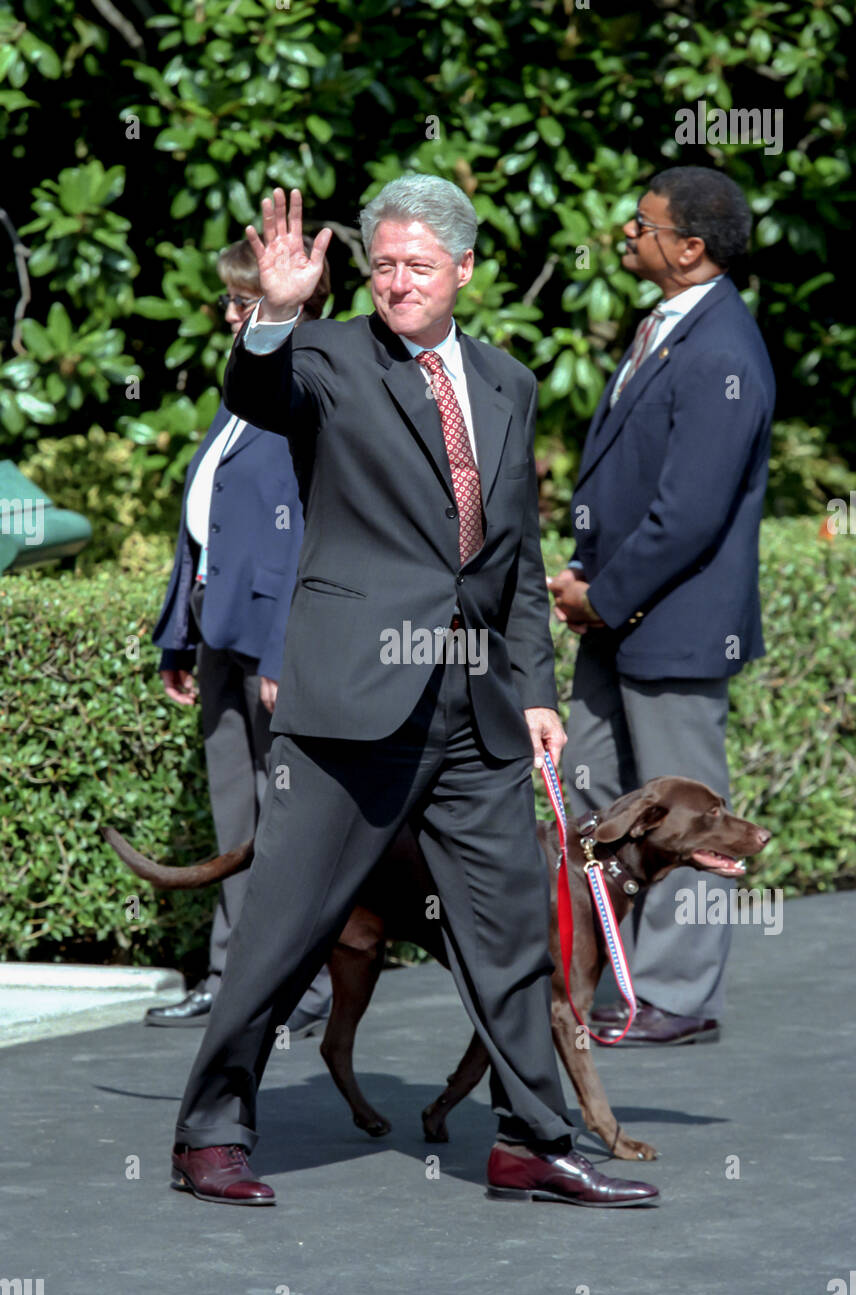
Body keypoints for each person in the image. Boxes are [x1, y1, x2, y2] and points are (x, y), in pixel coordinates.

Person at [168, 175, 658, 1209]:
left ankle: (531, 1139)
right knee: (283, 931)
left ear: (464, 271)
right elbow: (259, 395)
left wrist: (533, 686)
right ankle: (211, 1132)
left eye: (417, 266)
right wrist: (278, 311)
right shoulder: (329, 356)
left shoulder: (508, 382)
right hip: (350, 707)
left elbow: (513, 559)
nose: (395, 282)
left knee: (509, 931)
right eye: (382, 264)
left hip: (473, 711)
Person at [548, 166, 775, 1045]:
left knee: (690, 822)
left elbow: (689, 513)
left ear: (691, 247)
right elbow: (629, 477)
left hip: (672, 628)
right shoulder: (669, 328)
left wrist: (600, 595)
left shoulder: (722, 350)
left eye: (642, 225)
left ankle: (677, 998)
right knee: (595, 798)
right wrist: (584, 575)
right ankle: (606, 975)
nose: (626, 235)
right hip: (621, 620)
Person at [148, 238, 333, 1035]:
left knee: (288, 819)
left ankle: (299, 990)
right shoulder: (241, 388)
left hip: (271, 642)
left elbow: (310, 537)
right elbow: (209, 519)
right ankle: (231, 979)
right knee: (238, 818)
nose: (228, 312)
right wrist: (177, 636)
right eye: (230, 300)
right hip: (219, 631)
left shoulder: (310, 389)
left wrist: (283, 651)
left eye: (242, 300)